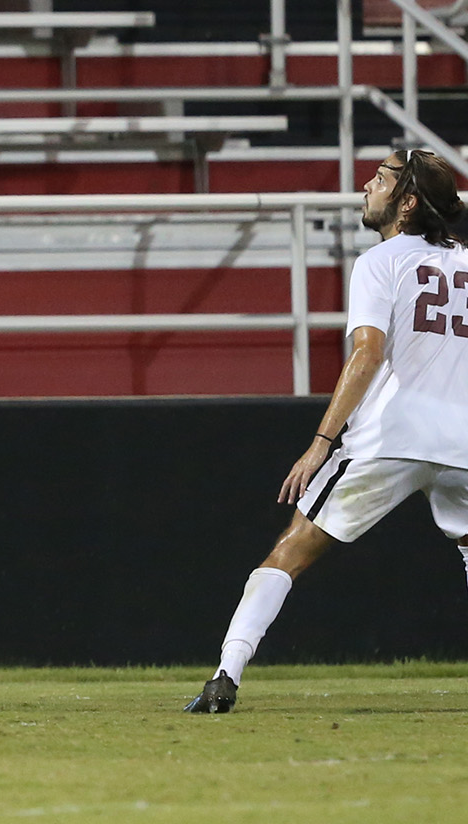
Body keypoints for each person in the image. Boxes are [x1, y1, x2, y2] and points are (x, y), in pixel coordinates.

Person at [185, 149, 468, 714]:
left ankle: (225, 675)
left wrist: (321, 442)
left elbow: (367, 353)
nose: (367, 184)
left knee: (289, 551)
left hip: (390, 437)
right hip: (463, 441)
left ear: (407, 202)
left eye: (382, 178)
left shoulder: (381, 260)